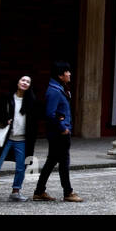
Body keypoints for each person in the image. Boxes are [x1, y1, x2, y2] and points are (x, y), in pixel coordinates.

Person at [0, 74, 37, 203]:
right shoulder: (7, 97)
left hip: (23, 140)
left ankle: (16, 192)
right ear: (17, 82)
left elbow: (35, 121)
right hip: (6, 138)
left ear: (30, 86)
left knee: (22, 166)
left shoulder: (32, 100)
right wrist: (4, 119)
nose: (25, 83)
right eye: (23, 80)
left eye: (28, 81)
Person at [33, 61, 82, 202]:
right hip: (59, 134)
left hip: (59, 132)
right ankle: (68, 193)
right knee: (64, 163)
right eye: (67, 71)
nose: (70, 74)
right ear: (60, 75)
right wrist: (63, 128)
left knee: (51, 162)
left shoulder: (59, 88)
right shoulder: (54, 91)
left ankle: (39, 191)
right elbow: (50, 113)